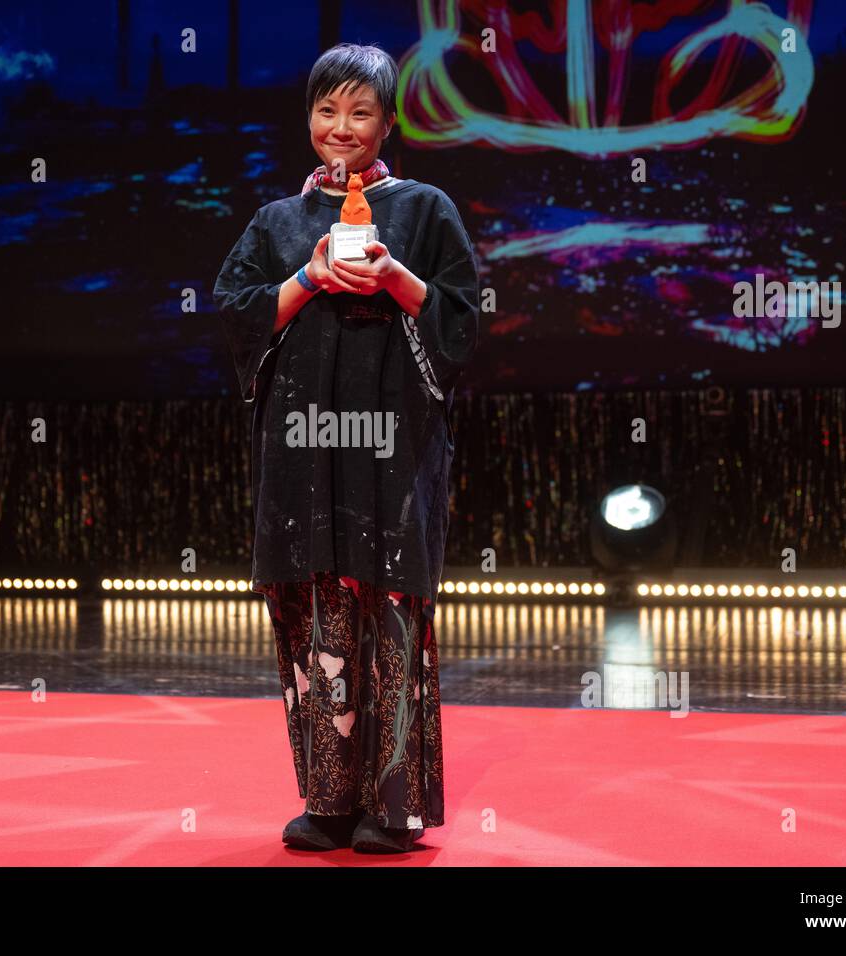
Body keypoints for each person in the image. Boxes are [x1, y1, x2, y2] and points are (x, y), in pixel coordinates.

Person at [213, 42, 480, 853]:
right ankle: (328, 800)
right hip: (303, 452)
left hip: (393, 451)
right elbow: (233, 313)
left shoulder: (425, 209)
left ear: (388, 121)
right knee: (316, 613)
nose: (342, 127)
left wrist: (396, 277)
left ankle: (391, 805)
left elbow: (464, 326)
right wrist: (308, 278)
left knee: (388, 607)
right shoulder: (278, 222)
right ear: (308, 119)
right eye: (327, 110)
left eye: (360, 111)